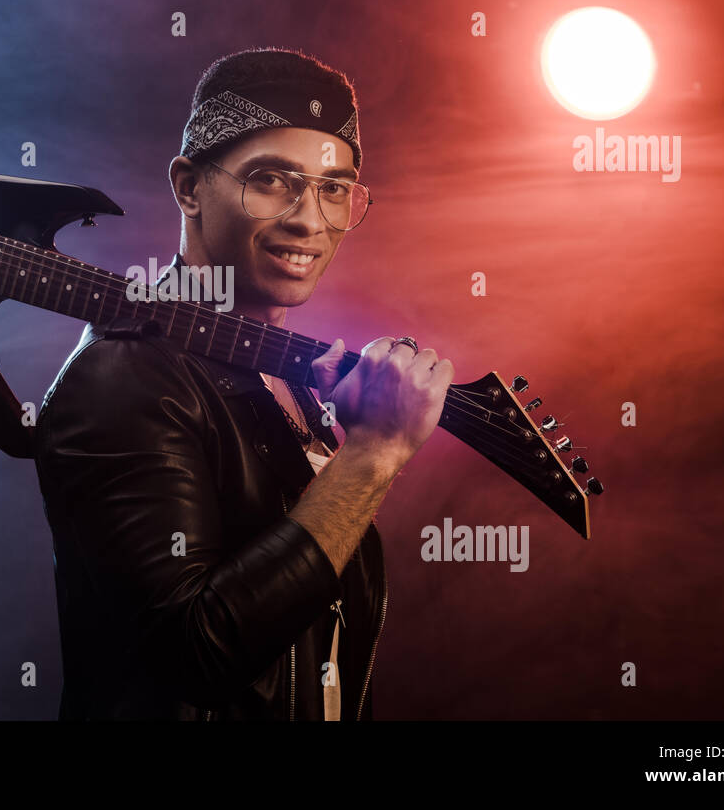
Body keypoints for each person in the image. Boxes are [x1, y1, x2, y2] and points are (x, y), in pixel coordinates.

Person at [33, 47, 453, 720]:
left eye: (334, 188)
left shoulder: (290, 382)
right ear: (190, 186)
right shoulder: (126, 375)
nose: (308, 220)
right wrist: (372, 456)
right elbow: (195, 653)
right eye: (271, 180)